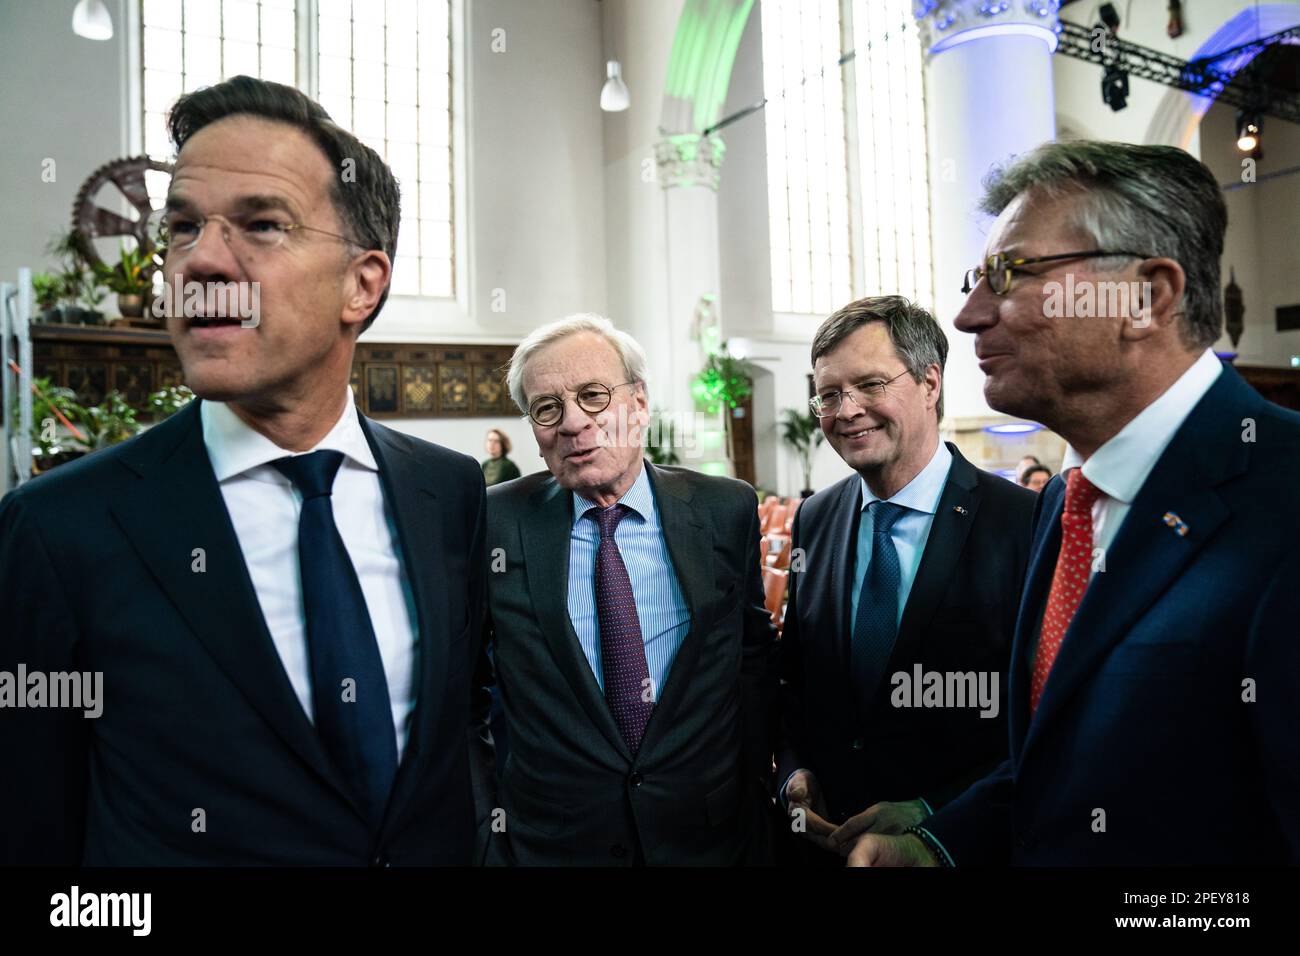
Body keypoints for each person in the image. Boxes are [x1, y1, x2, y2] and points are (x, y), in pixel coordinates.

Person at [0, 76, 492, 865]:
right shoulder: (62, 529)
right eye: (183, 227)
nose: (201, 261)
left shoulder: (449, 494)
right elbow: (33, 832)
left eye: (262, 225)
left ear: (362, 285)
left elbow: (458, 745)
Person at [848, 141, 1300, 867]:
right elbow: (1057, 762)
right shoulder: (1067, 501)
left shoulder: (1283, 499)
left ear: (1145, 298)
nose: (967, 316)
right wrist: (938, 844)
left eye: (1008, 274)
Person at [480, 314, 777, 865]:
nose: (572, 423)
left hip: (711, 838)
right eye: (547, 407)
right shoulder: (496, 520)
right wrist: (485, 836)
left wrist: (760, 794)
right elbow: (465, 694)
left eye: (594, 395)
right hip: (554, 846)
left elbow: (751, 661)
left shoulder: (723, 509)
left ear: (639, 404)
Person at [775, 296, 1035, 865]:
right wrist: (795, 771)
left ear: (930, 383)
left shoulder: (1022, 523)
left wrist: (933, 810)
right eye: (829, 394)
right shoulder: (815, 517)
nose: (845, 411)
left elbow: (1038, 719)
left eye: (870, 385)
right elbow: (796, 677)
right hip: (828, 845)